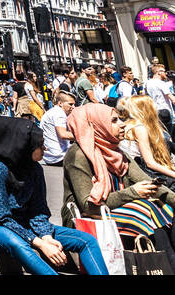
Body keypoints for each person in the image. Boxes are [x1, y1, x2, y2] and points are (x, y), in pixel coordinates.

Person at [0, 116, 107, 275]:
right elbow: (1, 217)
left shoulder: (34, 169)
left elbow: (39, 209)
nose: (45, 149)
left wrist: (46, 236)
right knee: (19, 244)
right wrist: (40, 244)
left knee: (87, 241)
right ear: (24, 146)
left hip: (22, 224)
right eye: (40, 145)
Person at [63, 103, 175, 266]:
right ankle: (163, 266)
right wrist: (133, 193)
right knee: (144, 216)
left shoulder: (116, 152)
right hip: (87, 216)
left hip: (117, 207)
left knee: (165, 207)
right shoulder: (78, 155)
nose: (122, 124)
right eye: (114, 121)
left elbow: (146, 181)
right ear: (96, 126)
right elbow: (88, 205)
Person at [118, 95, 175, 186]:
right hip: (142, 174)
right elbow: (150, 163)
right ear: (147, 109)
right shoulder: (139, 128)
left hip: (132, 172)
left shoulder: (129, 124)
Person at [40, 90, 75, 166]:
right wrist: (84, 136)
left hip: (50, 157)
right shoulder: (59, 114)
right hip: (59, 157)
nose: (73, 107)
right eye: (70, 104)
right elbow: (63, 134)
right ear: (60, 103)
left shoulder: (52, 111)